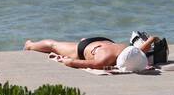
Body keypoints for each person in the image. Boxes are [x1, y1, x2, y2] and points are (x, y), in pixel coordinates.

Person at [24, 34, 159, 70]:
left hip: (103, 42)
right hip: (85, 48)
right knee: (53, 45)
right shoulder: (103, 61)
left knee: (57, 45)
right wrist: (63, 59)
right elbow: (72, 62)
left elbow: (142, 49)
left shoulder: (132, 51)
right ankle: (30, 45)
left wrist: (153, 39)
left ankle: (31, 44)